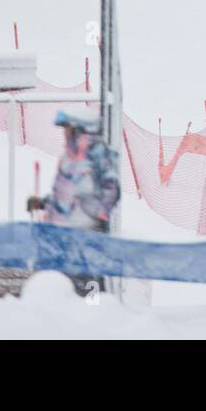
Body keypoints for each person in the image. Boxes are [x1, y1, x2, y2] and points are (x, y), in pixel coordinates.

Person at [26, 109, 120, 297]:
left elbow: (111, 189)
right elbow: (65, 195)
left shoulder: (98, 155)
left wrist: (94, 215)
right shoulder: (68, 158)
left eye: (68, 129)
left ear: (80, 130)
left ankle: (95, 316)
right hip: (62, 236)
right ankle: (67, 320)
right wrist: (44, 203)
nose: (65, 134)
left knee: (90, 284)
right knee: (64, 284)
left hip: (86, 235)